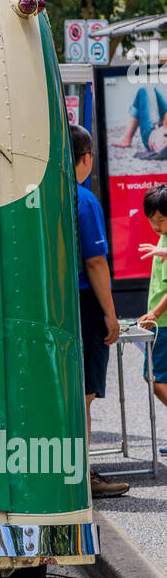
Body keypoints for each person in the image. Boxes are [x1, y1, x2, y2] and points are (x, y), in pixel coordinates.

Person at [71, 125, 127, 497]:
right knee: (84, 394)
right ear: (87, 157)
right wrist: (110, 313)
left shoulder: (42, 195)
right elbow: (95, 261)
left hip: (54, 301)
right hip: (85, 304)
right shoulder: (84, 199)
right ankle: (82, 478)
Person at [136, 185, 167, 438]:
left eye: (161, 219)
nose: (156, 225)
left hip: (164, 323)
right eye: (152, 220)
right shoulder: (163, 240)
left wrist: (155, 313)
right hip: (162, 322)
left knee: (155, 379)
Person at [112, 84, 167, 159]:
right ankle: (126, 138)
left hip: (156, 136)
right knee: (154, 90)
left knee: (144, 90)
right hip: (162, 129)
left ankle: (126, 139)